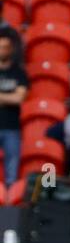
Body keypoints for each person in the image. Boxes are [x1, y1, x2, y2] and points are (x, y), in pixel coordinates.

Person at [0, 35, 26, 186]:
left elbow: (19, 98)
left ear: (10, 50)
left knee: (12, 174)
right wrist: (9, 97)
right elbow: (15, 97)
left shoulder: (18, 72)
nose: (2, 50)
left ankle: (11, 197)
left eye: (5, 47)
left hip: (12, 127)